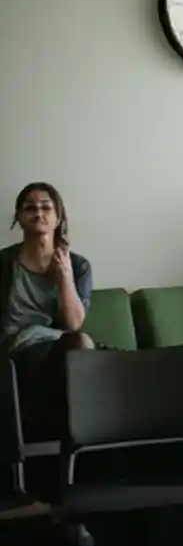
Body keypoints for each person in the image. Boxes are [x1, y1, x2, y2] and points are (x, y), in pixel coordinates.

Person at [1, 183, 95, 439]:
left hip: (60, 346)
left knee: (86, 347)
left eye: (46, 207)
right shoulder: (4, 263)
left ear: (58, 217)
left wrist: (65, 278)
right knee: (81, 348)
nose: (38, 214)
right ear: (19, 217)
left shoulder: (78, 266)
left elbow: (73, 323)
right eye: (30, 208)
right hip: (16, 349)